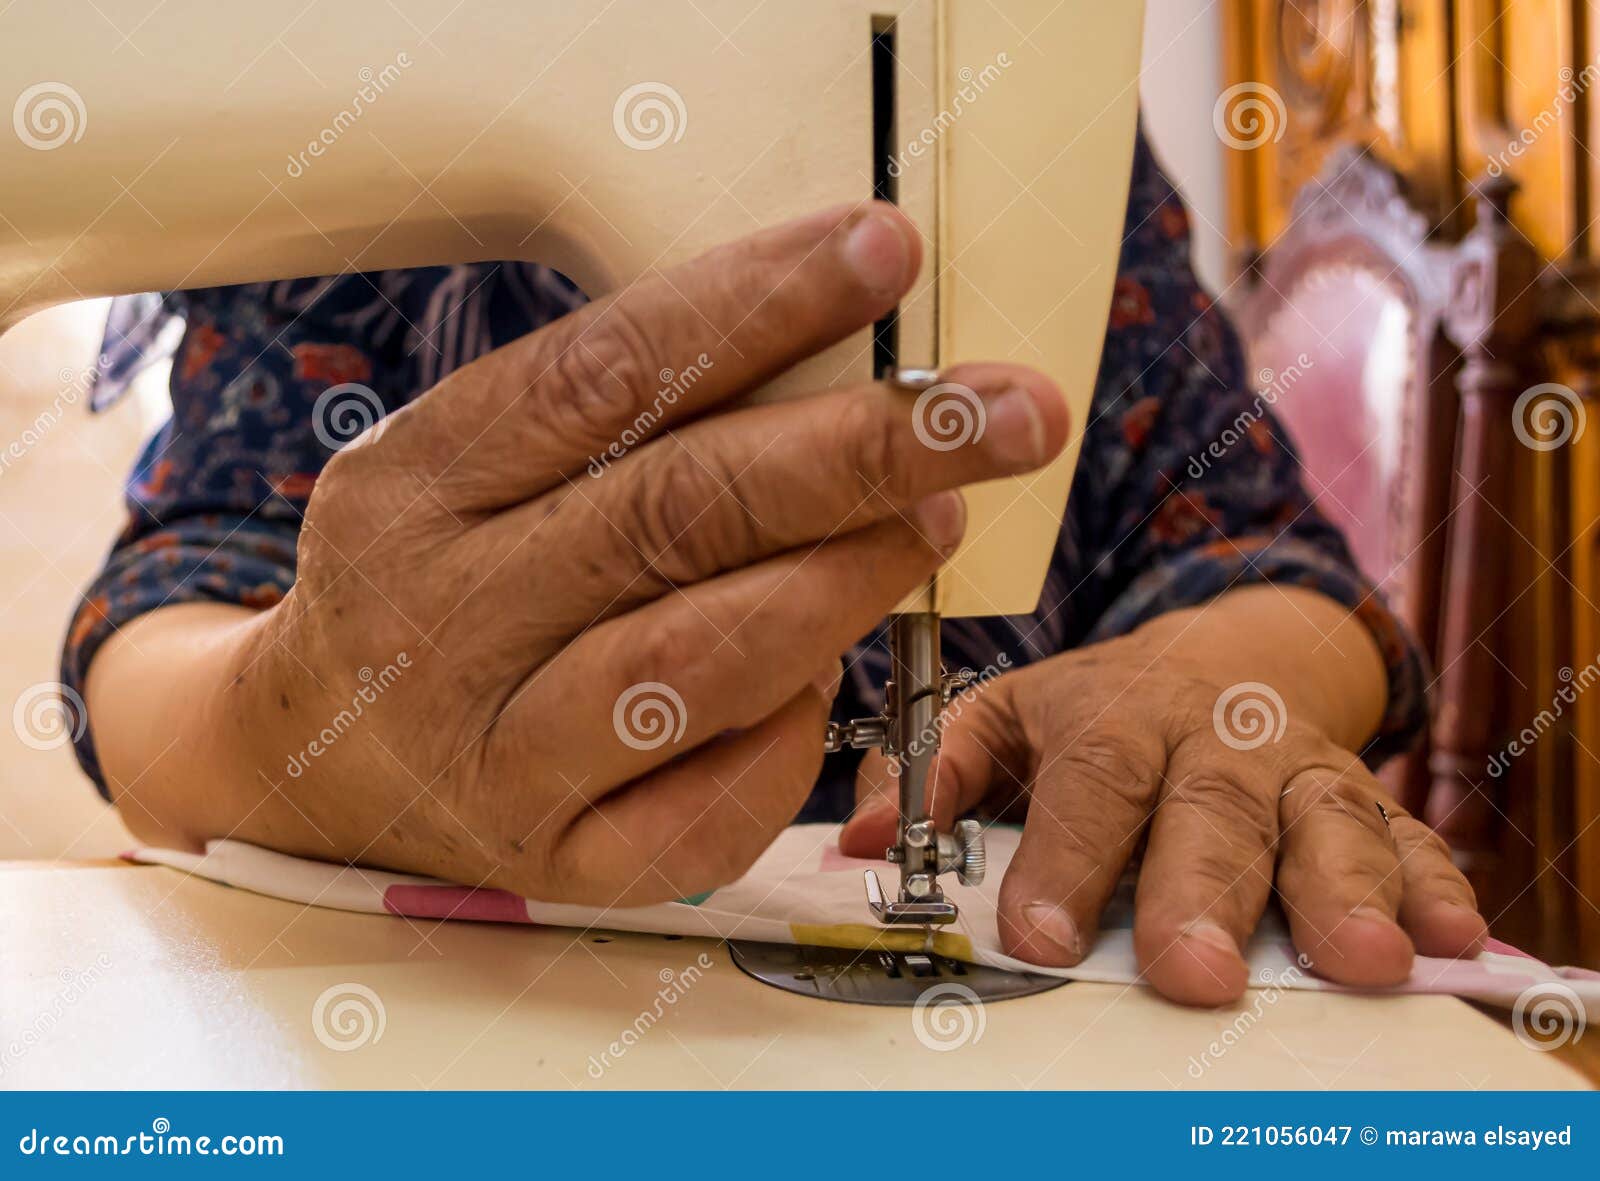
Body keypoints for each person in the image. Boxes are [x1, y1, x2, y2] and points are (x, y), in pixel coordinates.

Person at [62, 128, 1486, 1008]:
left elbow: (1259, 555)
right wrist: (297, 712)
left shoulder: (1030, 118)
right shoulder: (363, 111)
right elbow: (168, 608)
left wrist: (1186, 691)